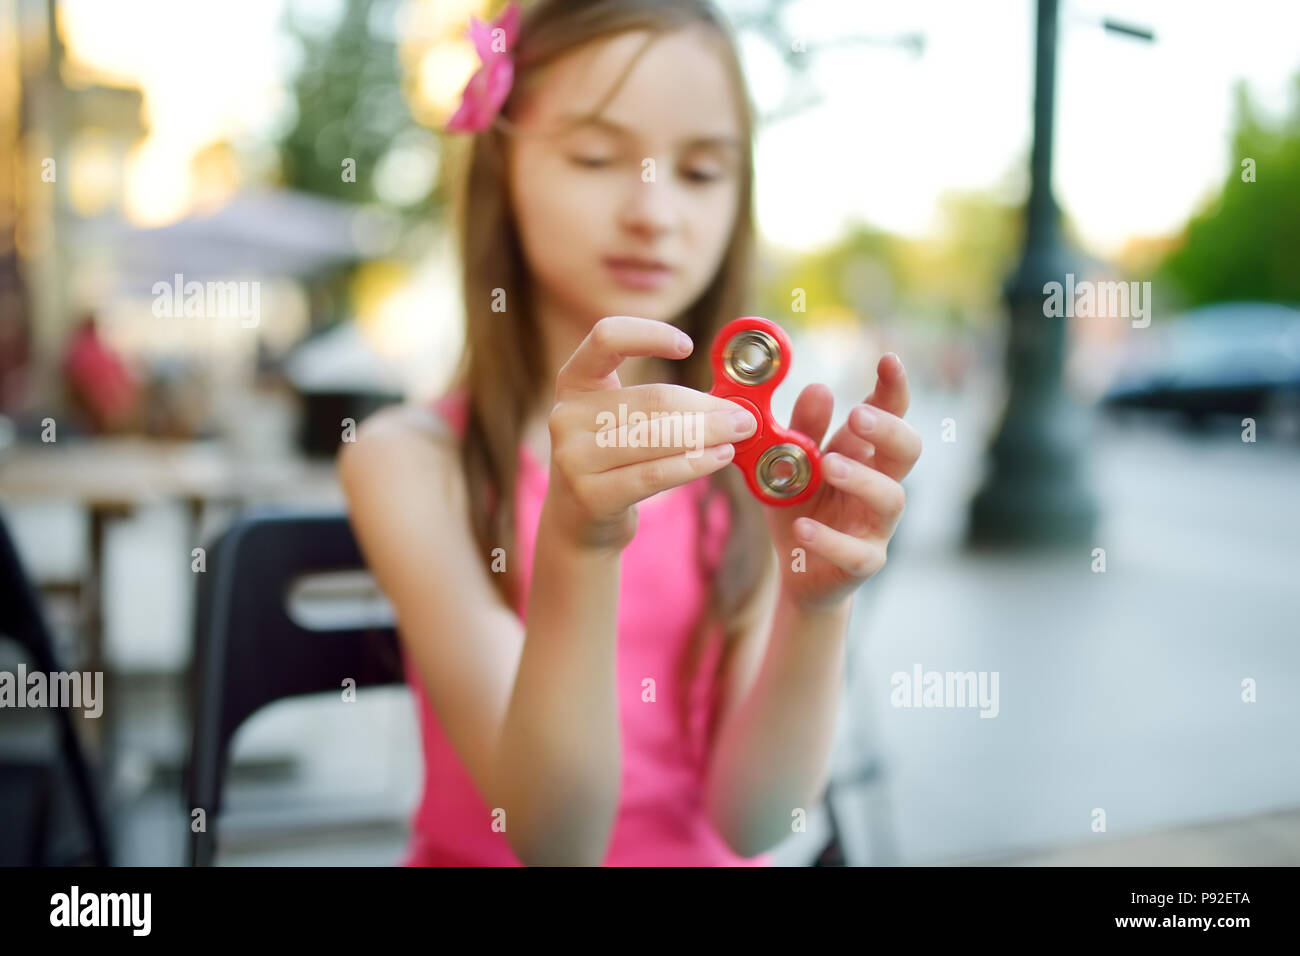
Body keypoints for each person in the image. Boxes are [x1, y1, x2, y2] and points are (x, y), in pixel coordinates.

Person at [338, 0, 921, 867]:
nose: (654, 212)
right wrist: (578, 541)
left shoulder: (744, 455)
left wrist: (814, 609)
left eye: (701, 171)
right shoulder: (406, 462)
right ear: (502, 167)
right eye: (597, 156)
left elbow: (755, 824)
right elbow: (552, 840)